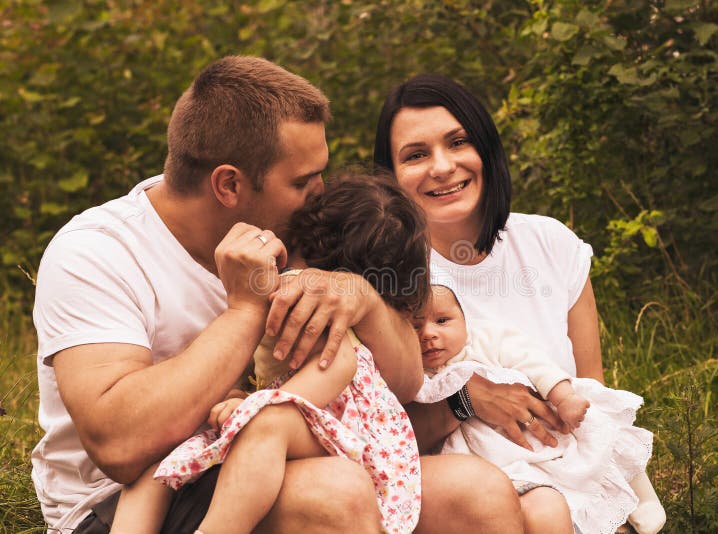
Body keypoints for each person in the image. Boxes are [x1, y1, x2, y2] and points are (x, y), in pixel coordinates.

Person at [32, 57, 525, 533]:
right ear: (229, 185)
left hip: (267, 454)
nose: (320, 192)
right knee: (338, 492)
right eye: (302, 181)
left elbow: (400, 384)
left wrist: (364, 301)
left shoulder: (294, 235)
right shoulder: (97, 252)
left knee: (477, 492)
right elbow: (119, 447)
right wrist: (245, 309)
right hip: (126, 502)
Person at [373, 73, 666, 532]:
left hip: (565, 473)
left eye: (458, 142)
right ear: (390, 177)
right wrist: (464, 401)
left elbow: (590, 391)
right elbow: (378, 432)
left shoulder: (550, 244)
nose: (442, 167)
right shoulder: (385, 276)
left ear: (486, 148)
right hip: (462, 500)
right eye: (415, 155)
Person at [110, 172, 429, 534]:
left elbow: (339, 362)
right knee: (160, 463)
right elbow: (259, 371)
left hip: (345, 428)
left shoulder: (307, 295)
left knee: (265, 426)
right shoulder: (311, 294)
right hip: (320, 421)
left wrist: (259, 406)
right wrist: (240, 397)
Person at [413, 283, 665, 534]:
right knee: (540, 498)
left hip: (536, 430)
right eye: (415, 326)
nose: (428, 334)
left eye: (442, 321)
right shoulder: (416, 373)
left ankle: (642, 499)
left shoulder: (485, 340)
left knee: (597, 432)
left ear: (464, 321)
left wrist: (564, 397)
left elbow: (533, 362)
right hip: (487, 456)